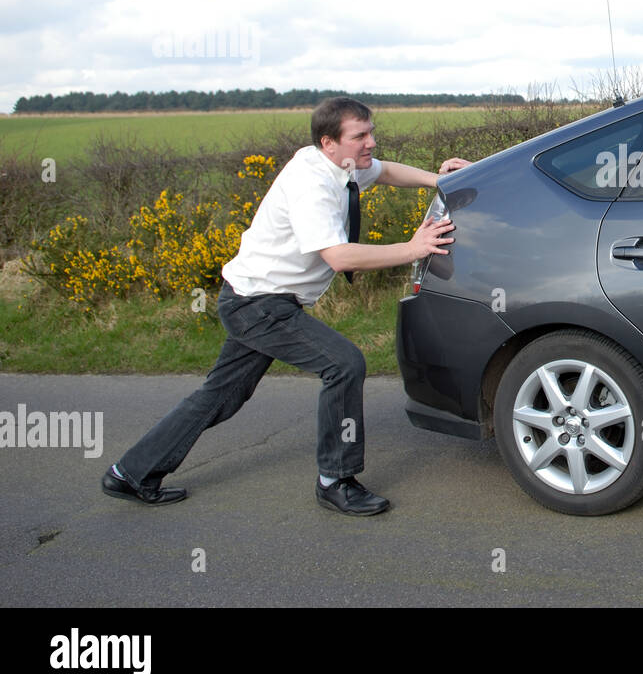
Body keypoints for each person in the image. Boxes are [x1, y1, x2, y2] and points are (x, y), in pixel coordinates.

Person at [102, 96, 469, 516]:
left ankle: (129, 473)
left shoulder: (339, 164)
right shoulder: (310, 186)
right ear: (329, 142)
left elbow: (383, 171)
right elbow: (340, 257)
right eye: (360, 136)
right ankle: (336, 480)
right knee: (344, 364)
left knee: (222, 395)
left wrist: (437, 181)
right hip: (259, 305)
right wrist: (412, 248)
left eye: (371, 132)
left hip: (258, 299)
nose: (370, 142)